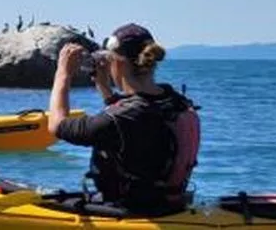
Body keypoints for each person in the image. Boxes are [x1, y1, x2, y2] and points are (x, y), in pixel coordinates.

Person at [48, 23, 200, 215]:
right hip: (172, 205)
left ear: (118, 62)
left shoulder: (123, 118)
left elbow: (57, 125)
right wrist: (105, 90)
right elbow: (138, 123)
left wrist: (63, 74)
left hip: (131, 209)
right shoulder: (177, 102)